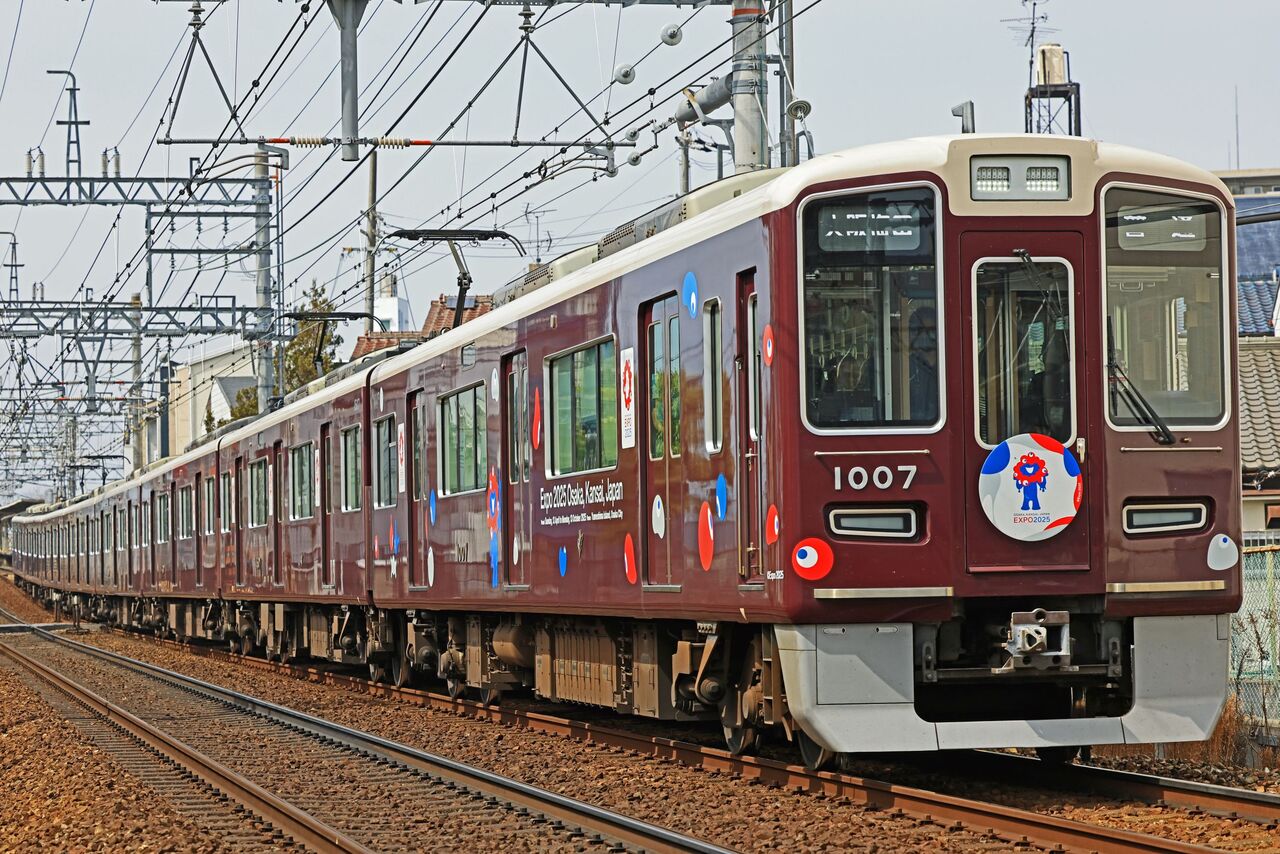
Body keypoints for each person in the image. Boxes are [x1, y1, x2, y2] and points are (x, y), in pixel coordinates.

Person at [908, 305, 939, 423]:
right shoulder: (904, 368)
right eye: (917, 331)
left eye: (930, 331)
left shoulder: (950, 367)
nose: (923, 337)